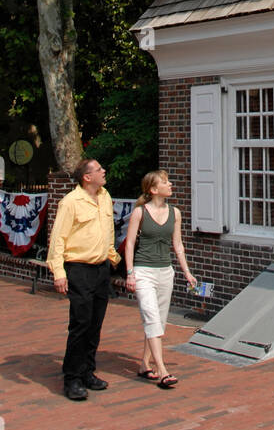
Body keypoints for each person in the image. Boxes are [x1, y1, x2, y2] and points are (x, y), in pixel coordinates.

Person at [46, 159, 121, 401]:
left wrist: (113, 258)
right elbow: (58, 238)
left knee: (95, 324)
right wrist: (59, 272)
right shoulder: (70, 202)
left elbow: (108, 230)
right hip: (79, 268)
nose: (104, 171)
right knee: (80, 323)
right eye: (99, 169)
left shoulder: (105, 196)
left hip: (101, 269)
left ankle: (88, 371)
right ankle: (72, 378)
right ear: (87, 177)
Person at [124, 169, 196, 388]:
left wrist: (187, 272)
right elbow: (129, 244)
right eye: (165, 182)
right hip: (144, 271)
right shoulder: (140, 212)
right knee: (151, 317)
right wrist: (130, 273)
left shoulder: (175, 213)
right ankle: (162, 369)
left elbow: (178, 245)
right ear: (154, 189)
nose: (170, 184)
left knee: (158, 321)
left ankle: (144, 364)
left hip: (166, 272)